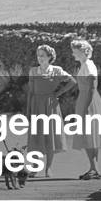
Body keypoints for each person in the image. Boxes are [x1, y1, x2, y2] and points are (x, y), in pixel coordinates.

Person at [25, 44, 75, 178]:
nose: (39, 58)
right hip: (36, 105)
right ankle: (35, 167)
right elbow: (30, 91)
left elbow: (72, 81)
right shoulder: (33, 71)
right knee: (36, 137)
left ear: (49, 57)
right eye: (38, 55)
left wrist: (59, 92)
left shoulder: (57, 70)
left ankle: (48, 168)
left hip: (51, 106)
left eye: (42, 55)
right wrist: (28, 110)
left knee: (50, 136)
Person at [69, 38, 101, 180]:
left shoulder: (88, 65)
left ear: (84, 52)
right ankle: (94, 168)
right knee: (89, 136)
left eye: (76, 51)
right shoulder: (85, 65)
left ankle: (94, 168)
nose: (73, 54)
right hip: (85, 100)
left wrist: (86, 106)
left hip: (89, 102)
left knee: (88, 136)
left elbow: (92, 88)